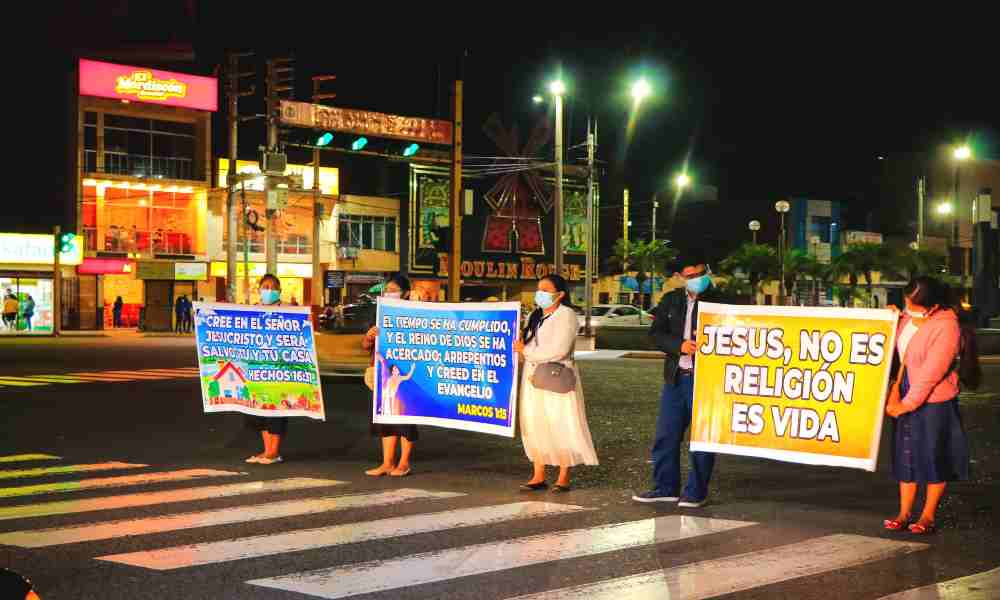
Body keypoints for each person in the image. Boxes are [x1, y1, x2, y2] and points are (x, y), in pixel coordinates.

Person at [634, 250, 730, 508]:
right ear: (680, 277)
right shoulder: (671, 300)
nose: (696, 279)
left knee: (701, 438)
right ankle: (665, 487)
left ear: (706, 271)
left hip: (707, 380)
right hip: (676, 377)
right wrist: (679, 346)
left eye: (700, 273)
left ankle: (696, 491)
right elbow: (655, 334)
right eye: (690, 276)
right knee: (666, 434)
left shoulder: (723, 301)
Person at [883, 276, 979, 534]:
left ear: (933, 305)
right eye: (906, 301)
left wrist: (907, 404)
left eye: (912, 304)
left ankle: (927, 516)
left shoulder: (946, 327)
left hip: (934, 400)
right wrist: (888, 321)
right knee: (906, 454)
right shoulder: (906, 319)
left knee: (933, 456)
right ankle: (904, 513)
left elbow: (931, 373)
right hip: (906, 391)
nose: (907, 306)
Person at [513, 274, 598, 492]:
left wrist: (527, 351)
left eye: (545, 289)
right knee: (534, 423)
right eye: (538, 288)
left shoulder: (566, 315)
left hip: (556, 377)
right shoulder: (534, 315)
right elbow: (528, 344)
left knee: (560, 422)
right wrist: (522, 349)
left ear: (560, 294)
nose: (539, 293)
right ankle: (538, 474)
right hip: (533, 378)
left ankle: (563, 477)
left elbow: (559, 350)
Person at [362, 274, 421, 477]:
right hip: (382, 374)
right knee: (384, 417)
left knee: (405, 418)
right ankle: (387, 462)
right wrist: (370, 337)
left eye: (394, 289)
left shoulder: (415, 313)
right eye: (387, 289)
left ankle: (404, 462)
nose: (389, 293)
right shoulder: (379, 313)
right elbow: (365, 346)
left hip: (403, 372)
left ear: (405, 293)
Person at [245, 274, 289, 465]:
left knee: (277, 410)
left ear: (279, 291)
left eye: (272, 287)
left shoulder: (289, 312)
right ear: (259, 290)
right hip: (257, 370)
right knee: (257, 410)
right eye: (265, 286)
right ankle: (267, 449)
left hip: (279, 370)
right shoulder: (252, 311)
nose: (268, 290)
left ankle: (274, 451)